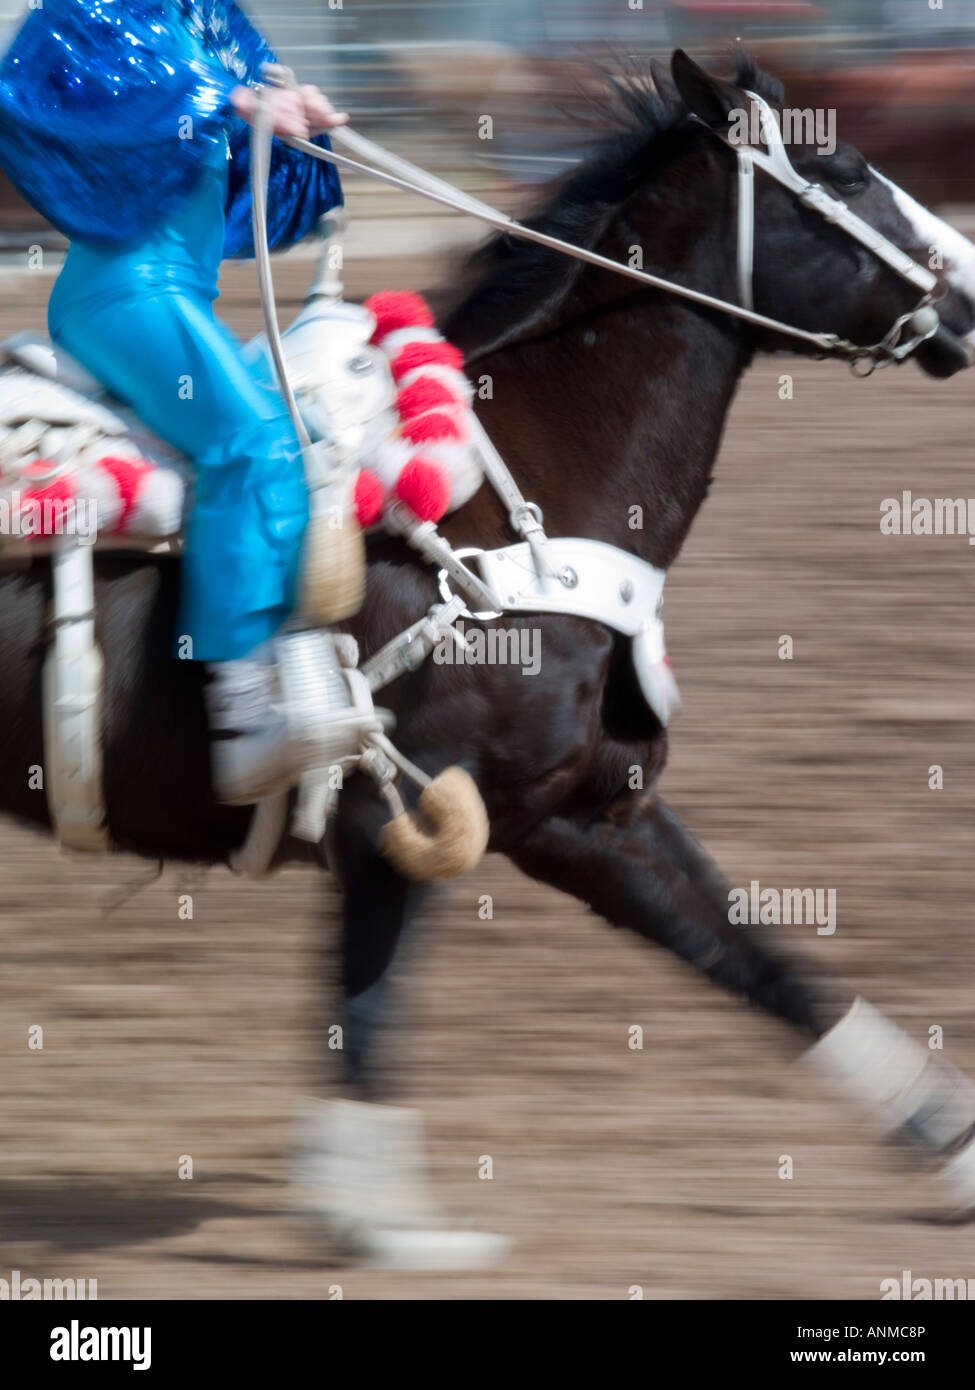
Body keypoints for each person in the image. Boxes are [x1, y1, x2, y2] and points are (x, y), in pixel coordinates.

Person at [0, 0, 362, 803]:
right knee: (253, 436)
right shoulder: (101, 14)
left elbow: (240, 155)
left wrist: (295, 124)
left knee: (305, 432)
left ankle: (296, 672)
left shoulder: (207, 25)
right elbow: (89, 78)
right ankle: (241, 715)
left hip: (176, 299)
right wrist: (231, 100)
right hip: (123, 294)